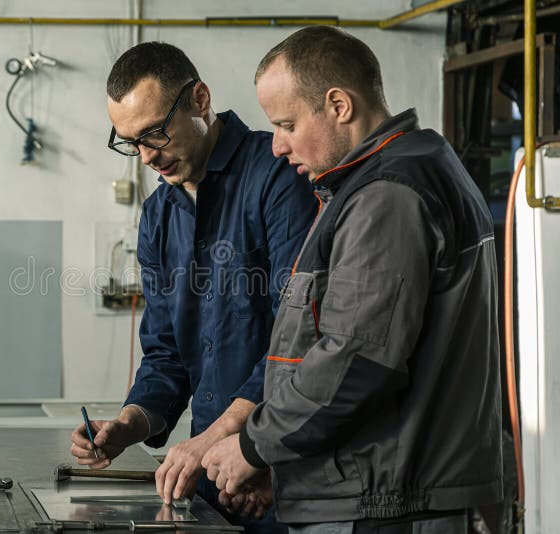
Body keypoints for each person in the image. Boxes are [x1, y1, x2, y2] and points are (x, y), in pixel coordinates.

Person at [202, 26, 503, 534]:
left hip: (385, 506)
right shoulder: (386, 179)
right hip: (373, 494)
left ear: (339, 105)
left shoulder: (389, 193)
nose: (277, 146)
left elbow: (356, 360)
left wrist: (254, 445)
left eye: (287, 124)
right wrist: (289, 465)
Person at [69, 42, 317, 532]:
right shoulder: (158, 216)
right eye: (131, 142)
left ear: (200, 100)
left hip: (282, 474)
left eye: (154, 133)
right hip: (207, 478)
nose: (146, 156)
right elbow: (166, 353)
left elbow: (299, 338)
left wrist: (239, 443)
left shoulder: (280, 178)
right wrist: (129, 423)